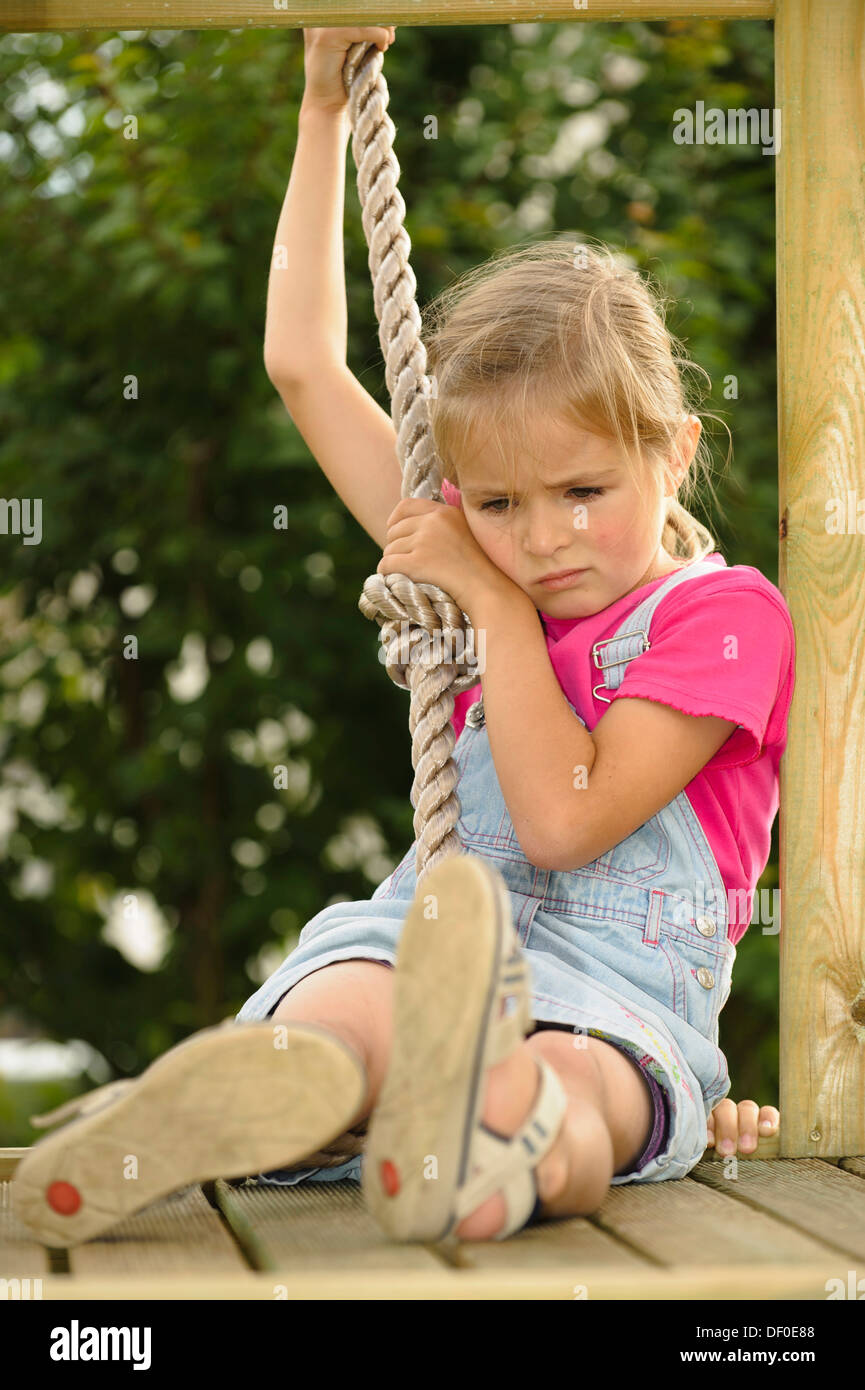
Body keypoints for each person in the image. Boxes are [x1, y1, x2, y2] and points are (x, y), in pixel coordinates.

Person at [12, 25, 786, 1250]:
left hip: (612, 995)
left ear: (674, 449)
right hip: (425, 938)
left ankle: (494, 1135)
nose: (539, 540)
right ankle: (238, 1099)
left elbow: (564, 819)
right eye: (497, 504)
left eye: (582, 490)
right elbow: (304, 362)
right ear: (468, 492)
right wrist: (322, 109)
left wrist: (489, 610)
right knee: (340, 1017)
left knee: (582, 1095)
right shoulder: (483, 540)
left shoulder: (723, 619)